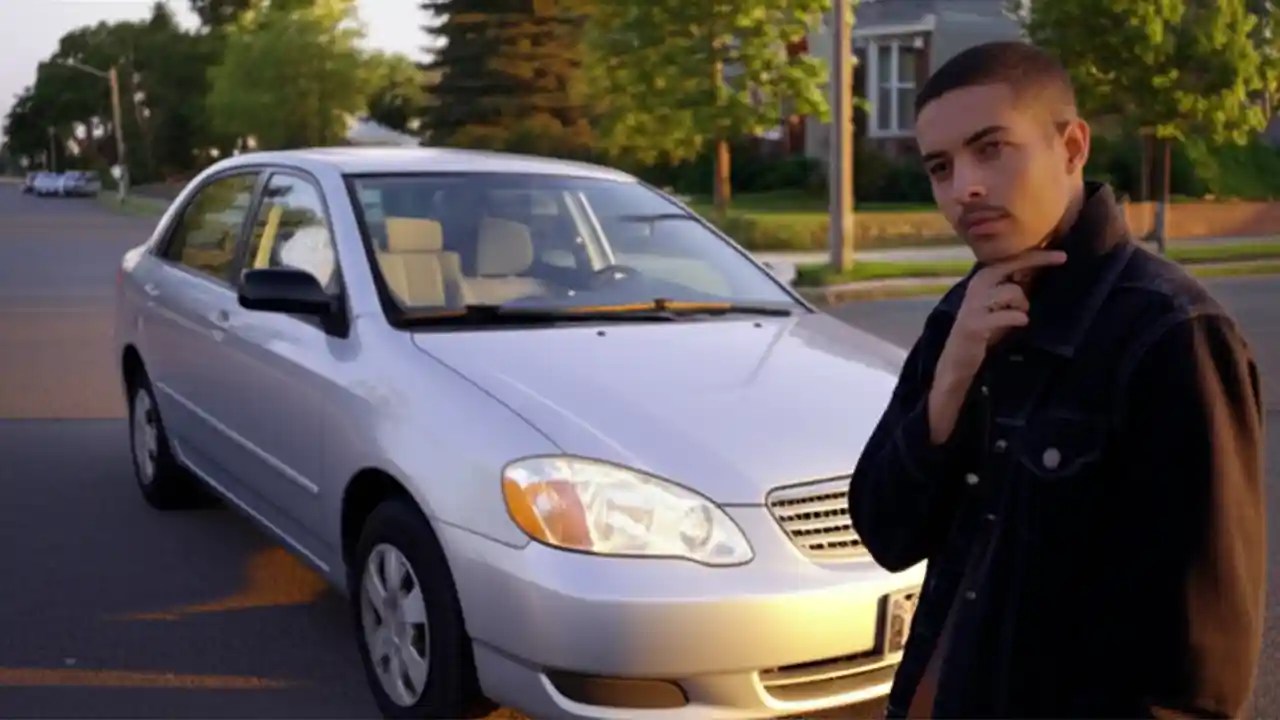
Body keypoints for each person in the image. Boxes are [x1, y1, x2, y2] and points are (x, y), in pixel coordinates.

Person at [849, 41, 1267, 718]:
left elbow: (1197, 674)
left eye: (991, 149)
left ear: (1071, 147)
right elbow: (884, 532)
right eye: (940, 167)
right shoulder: (963, 315)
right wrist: (950, 380)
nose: (965, 189)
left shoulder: (1171, 335)